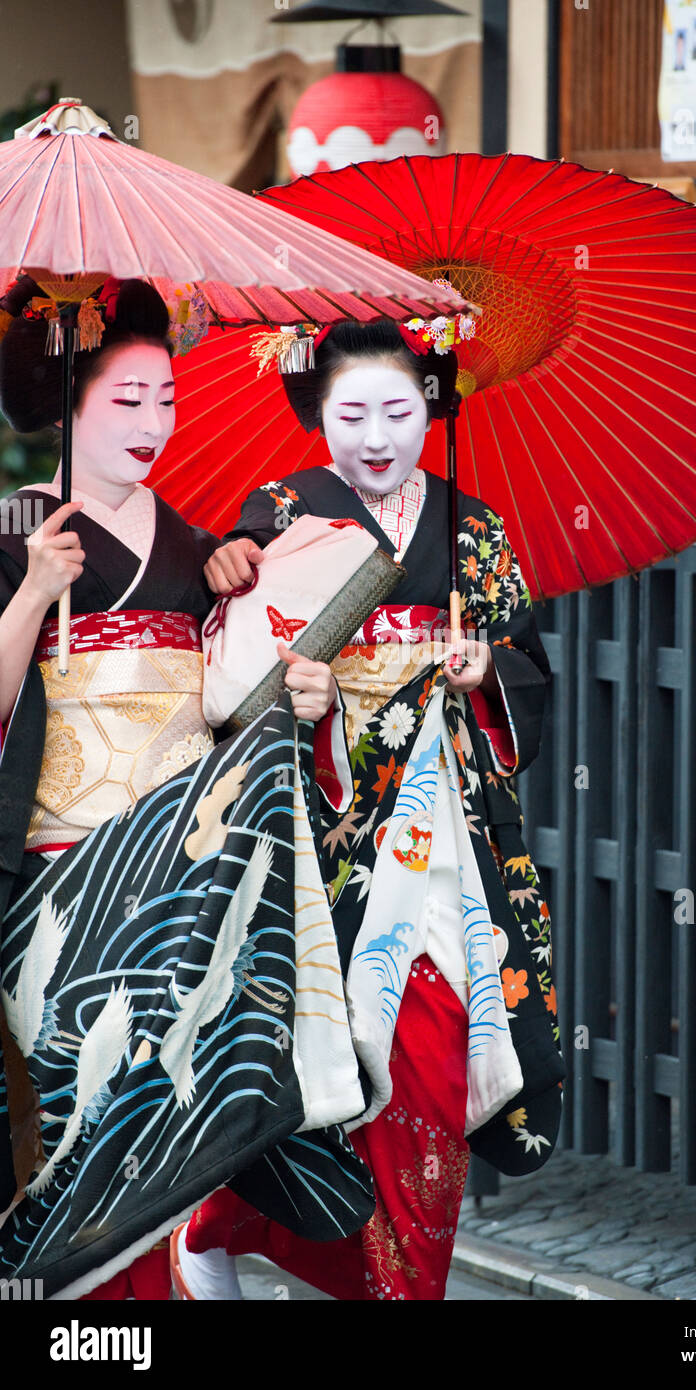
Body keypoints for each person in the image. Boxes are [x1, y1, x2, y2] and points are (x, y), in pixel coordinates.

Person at [174, 316, 564, 1301]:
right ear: (319, 415)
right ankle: (226, 1219)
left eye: (398, 408)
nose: (376, 435)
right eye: (351, 413)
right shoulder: (281, 513)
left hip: (441, 842)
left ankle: (405, 1285)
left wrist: (488, 666)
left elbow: (532, 673)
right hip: (325, 839)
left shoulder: (473, 531)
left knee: (429, 1058)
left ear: (431, 408)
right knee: (314, 1062)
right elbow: (226, 679)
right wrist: (229, 576)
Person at [0, 278, 371, 1299]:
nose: (153, 423)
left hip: (176, 876)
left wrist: (295, 686)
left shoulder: (204, 550)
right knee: (85, 1113)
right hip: (59, 878)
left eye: (166, 398)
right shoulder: (15, 535)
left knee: (170, 1106)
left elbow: (227, 714)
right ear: (67, 402)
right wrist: (33, 587)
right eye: (126, 400)